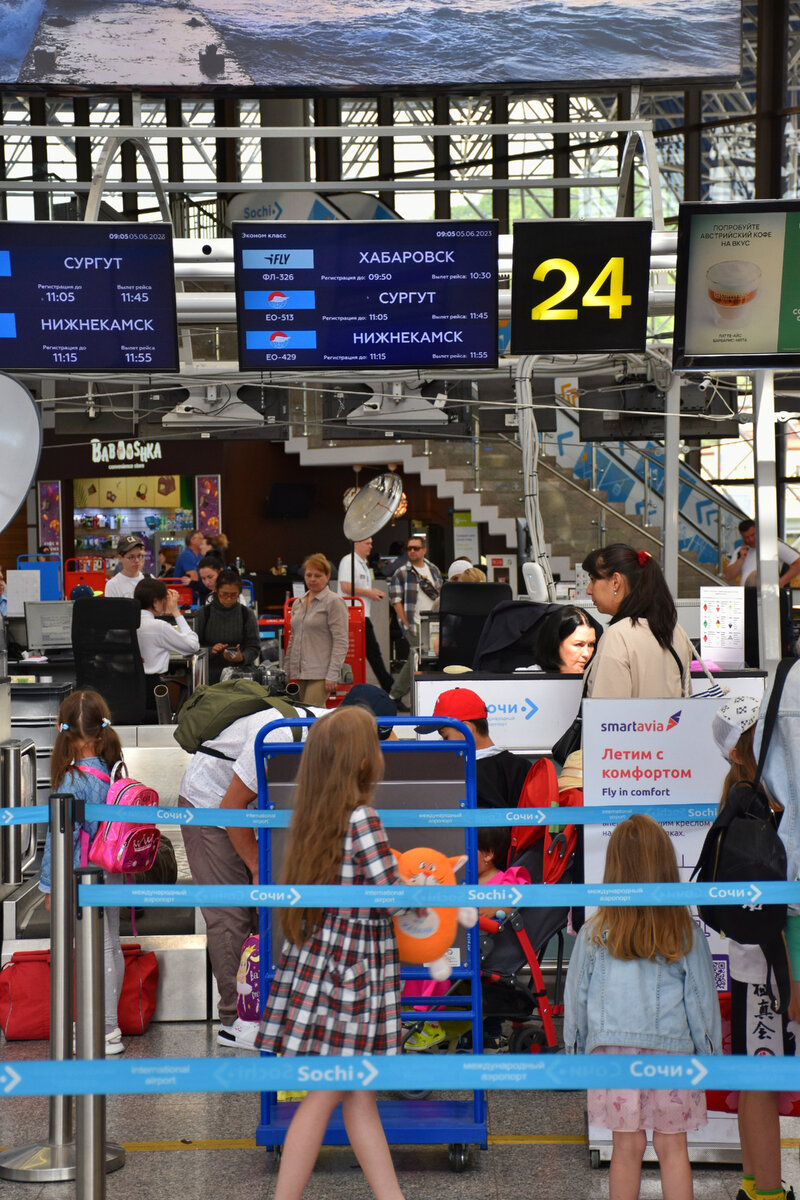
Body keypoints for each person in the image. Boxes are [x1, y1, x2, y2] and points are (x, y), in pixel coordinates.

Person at [180, 684, 397, 1050]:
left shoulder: (332, 741)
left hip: (252, 814)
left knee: (262, 915)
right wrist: (255, 866)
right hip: (210, 806)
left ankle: (266, 1009)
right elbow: (230, 807)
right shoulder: (281, 733)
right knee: (230, 915)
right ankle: (237, 1021)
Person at [255, 705, 408, 1200]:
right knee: (328, 1095)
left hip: (325, 965)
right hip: (356, 974)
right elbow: (392, 895)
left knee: (356, 1096)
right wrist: (426, 889)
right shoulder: (364, 817)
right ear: (364, 763)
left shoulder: (316, 816)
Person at [564, 813, 721, 1200]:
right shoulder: (684, 931)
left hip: (612, 1054)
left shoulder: (593, 932)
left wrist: (574, 1050)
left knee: (625, 1149)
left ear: (614, 868)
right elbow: (701, 999)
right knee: (673, 1149)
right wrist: (710, 1055)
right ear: (666, 867)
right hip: (673, 1052)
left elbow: (576, 997)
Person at [712, 695, 797, 1200]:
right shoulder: (765, 812)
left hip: (756, 969)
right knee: (760, 1078)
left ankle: (756, 1186)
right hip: (776, 968)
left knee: (755, 1075)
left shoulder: (748, 802)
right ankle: (765, 1191)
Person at [38, 689, 127, 1055]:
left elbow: (60, 836)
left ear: (63, 733)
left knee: (98, 948)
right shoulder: (111, 768)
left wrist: (49, 885)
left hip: (84, 874)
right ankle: (106, 1022)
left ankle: (105, 1027)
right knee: (111, 945)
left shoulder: (73, 781)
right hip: (113, 871)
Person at [404, 824, 531, 1052]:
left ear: (488, 854)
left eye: (466, 850)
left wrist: (500, 905)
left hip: (483, 947)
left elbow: (520, 898)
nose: (461, 857)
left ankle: (428, 1020)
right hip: (461, 943)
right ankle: (414, 1011)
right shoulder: (462, 881)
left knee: (440, 954)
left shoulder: (505, 881)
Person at [583, 543, 694, 699]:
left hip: (629, 724)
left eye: (593, 580)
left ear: (616, 581)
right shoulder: (675, 632)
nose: (588, 590)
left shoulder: (618, 637)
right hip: (668, 723)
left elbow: (607, 717)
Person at [418, 687, 531, 811]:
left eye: (446, 737)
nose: (442, 744)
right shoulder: (522, 766)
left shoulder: (457, 772)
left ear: (467, 729)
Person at [285, 553, 349, 706]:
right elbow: (293, 638)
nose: (312, 579)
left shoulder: (334, 602)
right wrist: (286, 671)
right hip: (298, 673)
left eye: (318, 575)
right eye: (309, 575)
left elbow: (341, 641)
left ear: (327, 576)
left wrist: (333, 674)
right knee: (297, 715)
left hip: (321, 673)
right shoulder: (298, 603)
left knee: (310, 716)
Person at [389, 536, 442, 710]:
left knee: (422, 657)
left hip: (433, 621)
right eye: (409, 548)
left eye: (416, 548)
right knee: (417, 656)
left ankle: (416, 695)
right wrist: (406, 623)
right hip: (414, 622)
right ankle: (395, 695)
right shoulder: (401, 573)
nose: (412, 551)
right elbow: (395, 600)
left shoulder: (433, 569)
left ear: (424, 550)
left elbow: (440, 595)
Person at [133, 577, 200, 709]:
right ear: (156, 602)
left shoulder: (124, 624)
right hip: (153, 689)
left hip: (126, 689)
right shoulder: (159, 626)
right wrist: (175, 611)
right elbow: (192, 646)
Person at [338, 536, 394, 693]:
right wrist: (369, 593)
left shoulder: (362, 564)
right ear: (356, 543)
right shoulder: (348, 561)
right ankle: (390, 688)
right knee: (368, 654)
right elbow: (345, 586)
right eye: (367, 543)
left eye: (371, 543)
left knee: (371, 654)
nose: (370, 546)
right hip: (352, 616)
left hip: (362, 615)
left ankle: (389, 687)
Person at [193, 568, 260, 684]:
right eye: (224, 594)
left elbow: (254, 647)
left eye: (233, 595)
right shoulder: (203, 613)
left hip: (241, 678)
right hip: (209, 676)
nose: (228, 599)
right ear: (216, 590)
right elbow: (193, 647)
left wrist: (242, 657)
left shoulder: (247, 614)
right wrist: (211, 650)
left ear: (239, 593)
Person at [723, 518, 800, 589]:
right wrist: (741, 559)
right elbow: (728, 576)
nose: (751, 539)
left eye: (753, 535)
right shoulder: (740, 551)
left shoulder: (773, 545)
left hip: (769, 595)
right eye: (747, 537)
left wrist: (781, 582)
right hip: (747, 595)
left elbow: (798, 563)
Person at [530, 605, 598, 674]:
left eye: (591, 644)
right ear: (555, 644)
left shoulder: (593, 678)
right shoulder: (524, 680)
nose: (586, 654)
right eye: (578, 644)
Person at [104, 534, 147, 598]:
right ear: (120, 558)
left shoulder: (149, 579)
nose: (137, 560)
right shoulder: (113, 585)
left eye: (139, 556)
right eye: (131, 557)